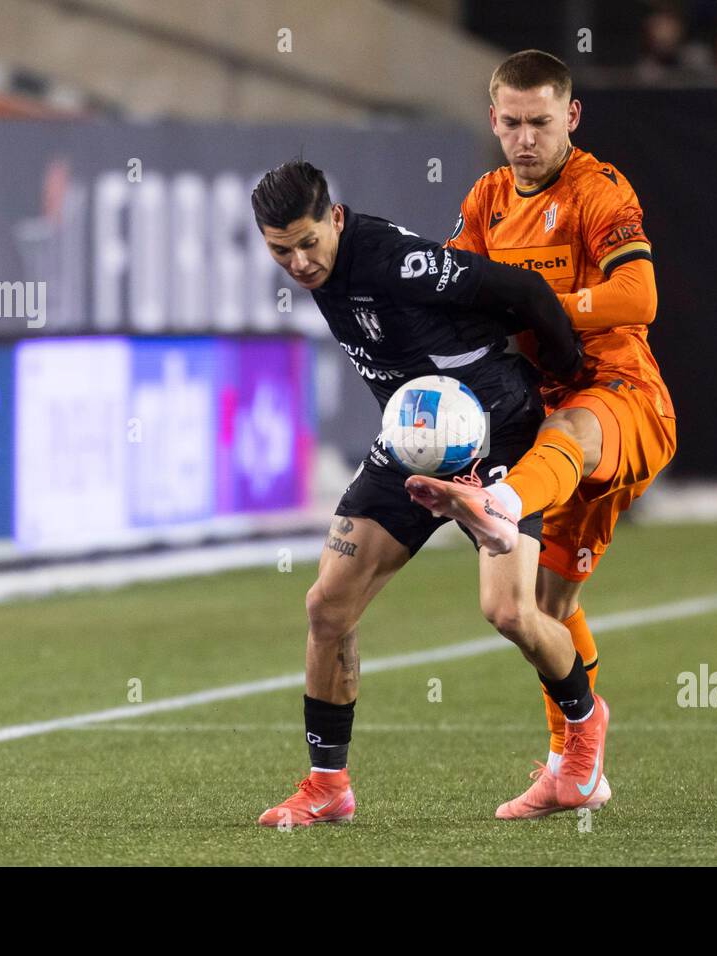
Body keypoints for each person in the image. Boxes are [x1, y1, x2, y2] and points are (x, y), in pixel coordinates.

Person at [250, 160, 614, 827]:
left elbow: (527, 293)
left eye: (308, 243)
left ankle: (585, 729)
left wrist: (568, 379)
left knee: (510, 611)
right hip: (412, 442)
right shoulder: (320, 269)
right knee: (328, 606)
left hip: (497, 436)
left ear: (335, 218)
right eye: (281, 251)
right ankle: (328, 785)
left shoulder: (395, 262)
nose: (299, 263)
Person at [406, 50, 677, 819]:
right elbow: (454, 299)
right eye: (513, 123)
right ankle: (575, 765)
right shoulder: (487, 199)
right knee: (538, 613)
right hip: (540, 419)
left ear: (572, 118)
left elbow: (639, 293)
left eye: (542, 122)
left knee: (566, 433)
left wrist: (540, 302)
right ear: (493, 120)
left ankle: (500, 502)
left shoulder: (598, 188)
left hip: (622, 399)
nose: (526, 139)